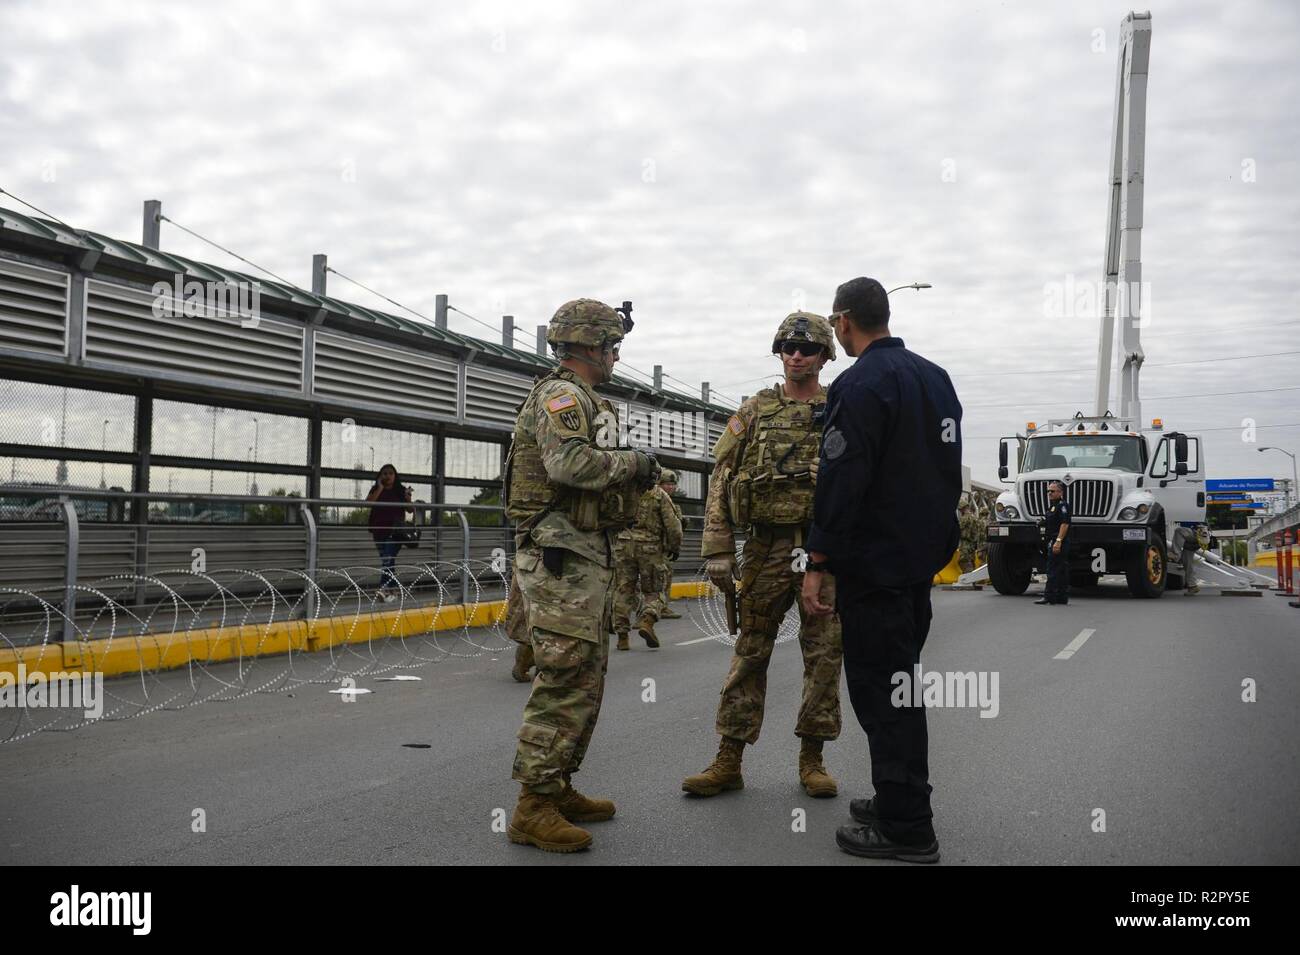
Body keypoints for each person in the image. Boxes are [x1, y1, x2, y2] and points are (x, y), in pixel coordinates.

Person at [801, 276, 962, 864]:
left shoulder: (861, 382)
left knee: (884, 695)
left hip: (875, 569)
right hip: (916, 565)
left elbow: (843, 478)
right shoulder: (936, 379)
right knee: (900, 685)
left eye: (833, 326)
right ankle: (898, 796)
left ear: (843, 322)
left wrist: (818, 559)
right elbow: (944, 475)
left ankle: (907, 826)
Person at [503, 298, 659, 853]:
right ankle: (532, 806)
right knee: (564, 678)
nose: (617, 355)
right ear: (592, 346)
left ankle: (558, 785)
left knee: (586, 677)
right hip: (559, 556)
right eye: (613, 345)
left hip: (582, 555)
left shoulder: (583, 397)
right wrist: (636, 464)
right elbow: (569, 464)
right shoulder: (562, 395)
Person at [682, 312, 843, 801]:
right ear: (779, 353)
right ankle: (728, 759)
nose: (797, 356)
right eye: (788, 348)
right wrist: (717, 548)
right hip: (765, 547)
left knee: (823, 655)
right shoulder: (754, 411)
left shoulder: (840, 407)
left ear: (823, 356)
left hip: (822, 549)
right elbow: (722, 478)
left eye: (808, 349)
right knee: (750, 653)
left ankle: (812, 759)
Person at [612, 468, 683, 650]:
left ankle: (622, 637)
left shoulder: (623, 491)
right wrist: (674, 547)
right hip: (650, 548)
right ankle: (647, 621)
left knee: (623, 590)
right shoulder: (658, 494)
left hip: (623, 545)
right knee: (654, 590)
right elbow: (673, 525)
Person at [366, 463, 413, 603]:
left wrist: (408, 498)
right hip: (378, 530)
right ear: (380, 476)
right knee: (388, 561)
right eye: (384, 473)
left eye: (390, 473)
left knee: (387, 558)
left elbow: (410, 510)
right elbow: (368, 503)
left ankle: (383, 588)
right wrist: (380, 487)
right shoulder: (375, 489)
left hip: (395, 531)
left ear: (395, 475)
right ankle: (393, 592)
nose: (387, 476)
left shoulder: (401, 490)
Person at [1037, 480, 1071, 605]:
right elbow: (1053, 521)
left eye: (1052, 491)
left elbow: (1064, 524)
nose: (1049, 493)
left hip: (1059, 541)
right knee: (1061, 569)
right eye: (1048, 491)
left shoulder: (1062, 506)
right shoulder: (1053, 506)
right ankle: (1061, 597)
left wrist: (1058, 541)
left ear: (1060, 492)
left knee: (1052, 569)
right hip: (1054, 540)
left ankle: (1049, 596)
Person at [658, 470, 685, 619]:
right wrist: (675, 547)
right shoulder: (658, 499)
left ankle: (661, 607)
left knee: (665, 576)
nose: (670, 487)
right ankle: (659, 608)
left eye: (673, 484)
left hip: (663, 546)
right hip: (658, 547)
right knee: (661, 577)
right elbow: (672, 527)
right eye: (667, 484)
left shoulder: (670, 502)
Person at [1170, 524, 1200, 595]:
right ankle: (1192, 586)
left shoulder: (1190, 516)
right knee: (1187, 563)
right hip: (1193, 538)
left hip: (1196, 533)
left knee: (1178, 531)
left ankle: (1175, 555)